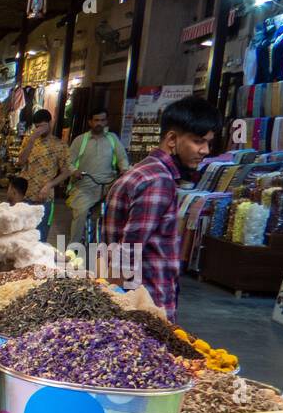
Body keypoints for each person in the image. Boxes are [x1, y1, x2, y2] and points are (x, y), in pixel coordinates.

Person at [104, 95, 220, 321]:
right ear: (172, 139)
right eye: (198, 141)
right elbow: (128, 252)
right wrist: (119, 308)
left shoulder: (141, 171)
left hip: (137, 302)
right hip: (148, 307)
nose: (205, 150)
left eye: (209, 143)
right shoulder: (158, 180)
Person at [66, 107, 129, 243]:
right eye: (96, 120)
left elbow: (122, 158)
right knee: (80, 214)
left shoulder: (113, 139)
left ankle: (111, 248)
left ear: (106, 121)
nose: (99, 123)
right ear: (90, 122)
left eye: (102, 120)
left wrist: (124, 169)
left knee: (118, 215)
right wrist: (74, 171)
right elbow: (67, 162)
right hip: (85, 186)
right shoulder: (80, 140)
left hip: (108, 187)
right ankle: (73, 250)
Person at [14, 109, 70, 242]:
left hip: (44, 197)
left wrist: (49, 185)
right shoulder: (29, 140)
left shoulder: (60, 145)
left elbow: (66, 172)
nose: (39, 129)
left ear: (51, 123)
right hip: (24, 194)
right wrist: (32, 139)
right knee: (20, 235)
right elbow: (20, 162)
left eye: (43, 126)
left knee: (40, 236)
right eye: (37, 126)